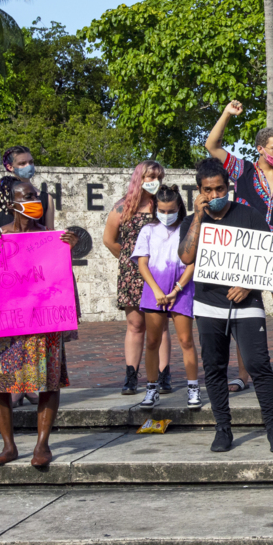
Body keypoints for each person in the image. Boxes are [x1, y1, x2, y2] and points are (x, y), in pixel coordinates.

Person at [178, 158, 273, 454]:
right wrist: (199, 218)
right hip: (208, 305)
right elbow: (186, 257)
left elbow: (269, 260)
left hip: (247, 303)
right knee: (214, 367)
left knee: (258, 364)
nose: (215, 196)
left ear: (228, 187)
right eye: (208, 190)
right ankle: (222, 428)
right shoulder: (192, 221)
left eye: (220, 189)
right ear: (199, 191)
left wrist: (248, 285)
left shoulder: (250, 215)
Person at [205, 101, 273, 393]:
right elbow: (212, 144)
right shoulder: (242, 170)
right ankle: (243, 374)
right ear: (260, 149)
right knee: (242, 308)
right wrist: (227, 113)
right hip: (246, 248)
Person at [0, 178, 80, 466]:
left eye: (36, 195)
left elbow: (58, 283)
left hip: (41, 323)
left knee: (47, 380)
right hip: (3, 324)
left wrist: (66, 251)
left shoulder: (52, 240)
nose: (35, 200)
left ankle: (42, 446)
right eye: (27, 196)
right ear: (10, 204)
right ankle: (8, 446)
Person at [102, 159, 171, 396]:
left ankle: (163, 375)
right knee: (135, 325)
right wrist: (129, 260)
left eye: (158, 177)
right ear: (138, 179)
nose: (154, 182)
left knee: (160, 326)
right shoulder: (122, 207)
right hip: (132, 274)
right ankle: (131, 376)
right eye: (149, 177)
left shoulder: (163, 205)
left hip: (159, 272)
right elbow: (109, 240)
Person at [132, 184, 201, 411]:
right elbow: (142, 263)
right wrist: (158, 291)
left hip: (181, 292)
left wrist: (176, 290)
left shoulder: (186, 229)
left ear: (179, 207)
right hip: (154, 293)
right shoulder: (148, 230)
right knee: (152, 342)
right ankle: (151, 388)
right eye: (163, 210)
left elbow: (191, 263)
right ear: (155, 209)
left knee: (186, 341)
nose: (167, 215)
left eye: (171, 211)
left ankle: (193, 388)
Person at [0, 111, 55, 230]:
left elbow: (50, 232)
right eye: (22, 163)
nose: (28, 166)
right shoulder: (4, 192)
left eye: (31, 162)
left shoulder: (46, 198)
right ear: (10, 167)